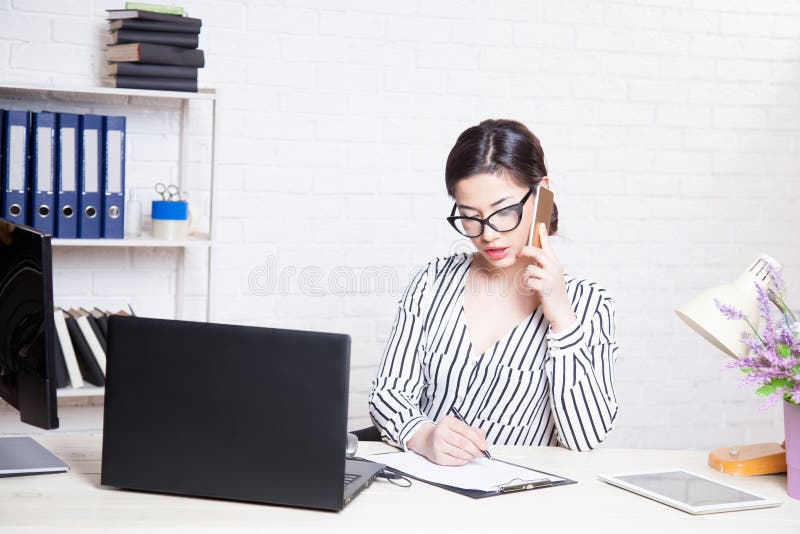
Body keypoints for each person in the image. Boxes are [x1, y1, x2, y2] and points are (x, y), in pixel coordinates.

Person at [368, 119, 619, 466]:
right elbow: (388, 393)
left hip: (520, 504)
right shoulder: (432, 282)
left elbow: (584, 438)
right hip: (425, 493)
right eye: (470, 216)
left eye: (504, 212)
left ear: (542, 192)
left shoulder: (589, 305)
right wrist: (423, 435)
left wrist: (561, 317)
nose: (488, 234)